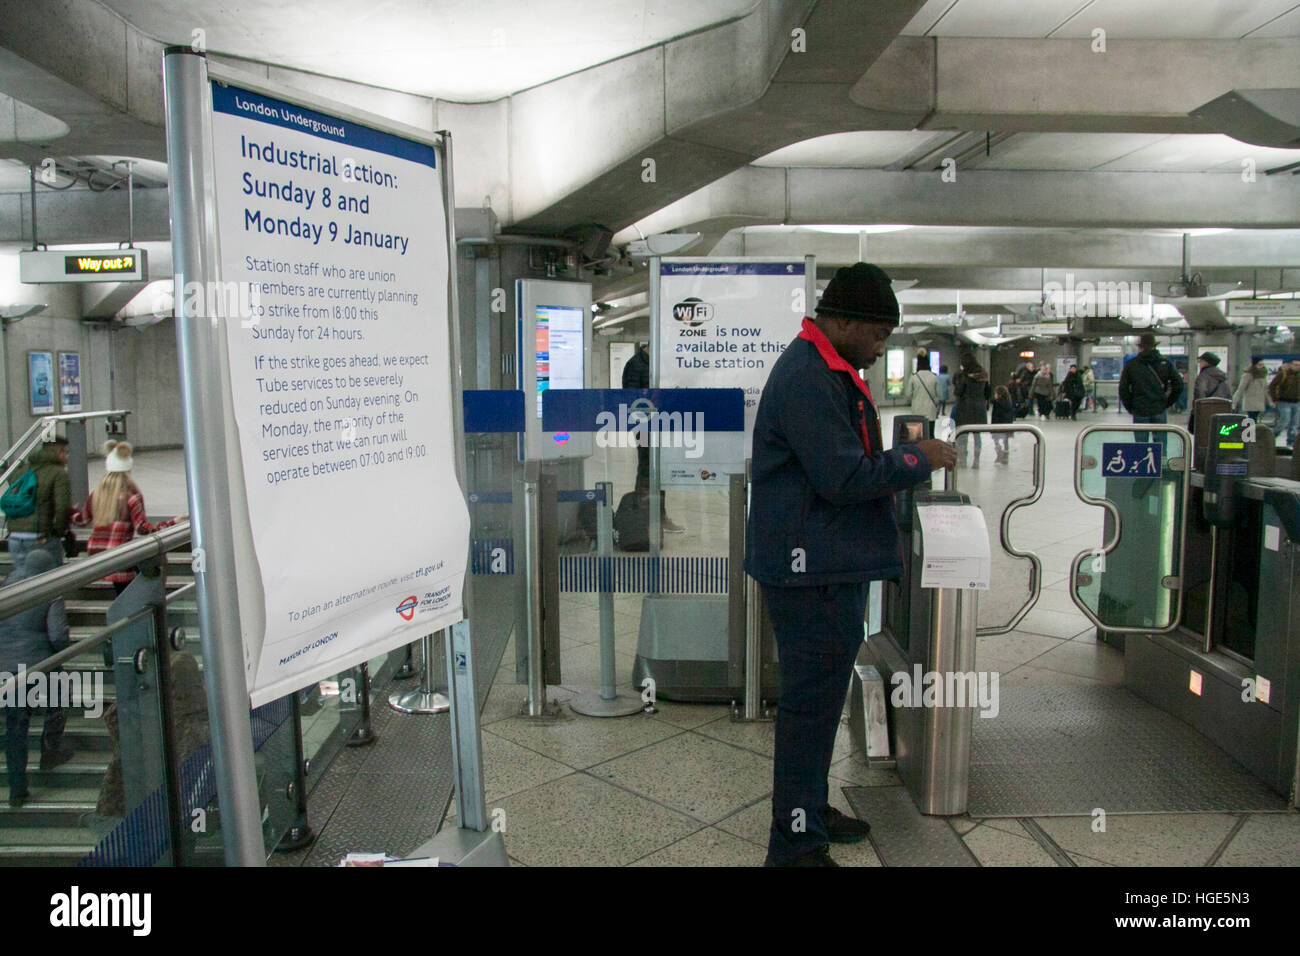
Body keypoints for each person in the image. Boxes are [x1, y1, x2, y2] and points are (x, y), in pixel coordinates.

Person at [746, 262, 954, 867]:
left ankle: (809, 808)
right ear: (840, 320)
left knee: (820, 703)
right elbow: (843, 477)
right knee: (810, 710)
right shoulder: (809, 377)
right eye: (877, 334)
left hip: (825, 564)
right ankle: (794, 848)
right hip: (809, 570)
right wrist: (917, 459)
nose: (880, 346)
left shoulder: (827, 366)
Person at [0, 549, 74, 807]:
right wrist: (64, 651)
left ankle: (17, 789)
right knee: (60, 699)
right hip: (39, 664)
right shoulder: (50, 590)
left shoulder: (6, 586)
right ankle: (50, 752)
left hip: (7, 667)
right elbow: (57, 634)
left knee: (15, 727)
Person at [71, 442, 185, 595]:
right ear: (128, 468)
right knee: (151, 569)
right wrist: (173, 522)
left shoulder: (97, 493)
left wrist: (69, 511)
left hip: (97, 555)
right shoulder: (132, 496)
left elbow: (81, 520)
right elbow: (143, 528)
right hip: (120, 557)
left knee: (122, 591)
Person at [621, 343, 684, 534]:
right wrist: (651, 399)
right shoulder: (635, 365)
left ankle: (658, 516)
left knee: (660, 469)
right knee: (646, 469)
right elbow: (630, 397)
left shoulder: (660, 364)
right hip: (644, 425)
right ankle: (643, 517)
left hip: (662, 423)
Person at [4, 436, 71, 569]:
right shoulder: (58, 473)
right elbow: (62, 508)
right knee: (52, 580)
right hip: (40, 537)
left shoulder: (22, 471)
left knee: (23, 580)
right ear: (60, 453)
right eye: (66, 452)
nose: (67, 457)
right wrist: (59, 532)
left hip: (15, 537)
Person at [1118, 333, 1182, 425]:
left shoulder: (1132, 365)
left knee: (1141, 439)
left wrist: (1130, 406)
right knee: (1160, 439)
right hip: (1159, 407)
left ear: (1141, 347)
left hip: (1140, 408)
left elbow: (1123, 389)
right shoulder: (1165, 363)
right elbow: (1178, 384)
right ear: (1154, 346)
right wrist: (1167, 403)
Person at [953, 352, 991, 467]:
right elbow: (988, 393)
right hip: (979, 409)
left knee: (963, 435)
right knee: (977, 435)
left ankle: (962, 460)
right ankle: (976, 460)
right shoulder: (983, 375)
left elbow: (958, 392)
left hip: (965, 408)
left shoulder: (964, 376)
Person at [1269, 358, 1300, 447]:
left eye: (1299, 365)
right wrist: (1275, 399)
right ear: (1290, 365)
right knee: (1284, 420)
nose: (1298, 367)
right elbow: (1272, 386)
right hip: (1284, 401)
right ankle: (1272, 435)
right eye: (1296, 365)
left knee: (1294, 423)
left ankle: (1291, 441)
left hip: (1297, 402)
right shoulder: (1284, 374)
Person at [903, 349, 941, 421]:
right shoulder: (934, 377)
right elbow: (939, 394)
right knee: (930, 431)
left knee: (918, 431)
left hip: (917, 411)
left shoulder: (914, 377)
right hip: (931, 411)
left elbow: (908, 394)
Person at [1233, 357, 1269, 424]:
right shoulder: (1248, 375)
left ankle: (1252, 432)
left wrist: (1270, 401)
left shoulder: (1263, 376)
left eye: (1262, 365)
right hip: (1250, 402)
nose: (1262, 366)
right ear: (1254, 365)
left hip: (1259, 401)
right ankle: (1251, 433)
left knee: (1254, 419)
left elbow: (1265, 390)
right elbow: (1240, 389)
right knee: (1252, 419)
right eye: (1259, 365)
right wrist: (1235, 402)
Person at [990, 385, 1016, 464]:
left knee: (996, 440)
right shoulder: (1009, 402)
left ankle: (999, 453)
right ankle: (1005, 456)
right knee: (1005, 441)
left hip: (997, 425)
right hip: (1007, 426)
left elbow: (995, 415)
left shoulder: (997, 403)